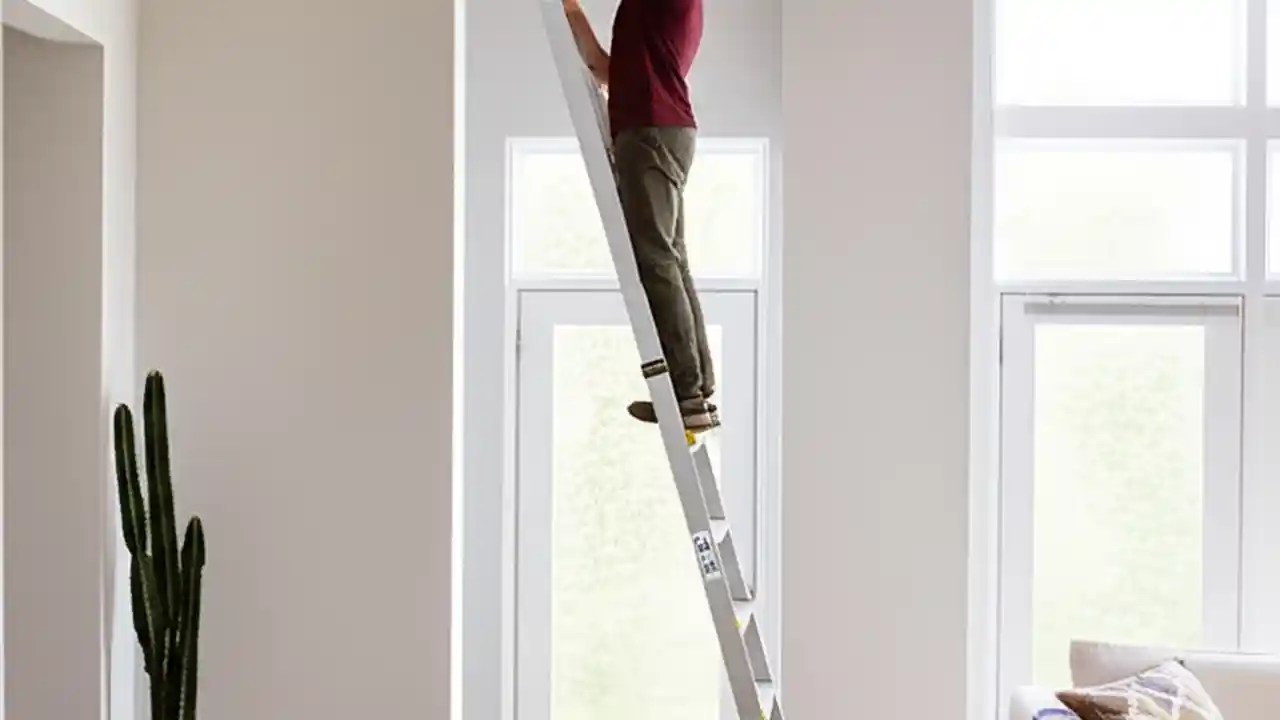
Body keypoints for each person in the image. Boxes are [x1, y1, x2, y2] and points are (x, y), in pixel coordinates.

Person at [562, 0, 718, 433]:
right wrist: (571, 11)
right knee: (669, 259)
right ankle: (696, 393)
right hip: (659, 129)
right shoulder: (649, 19)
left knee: (657, 260)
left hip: (650, 131)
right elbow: (603, 68)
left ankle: (687, 393)